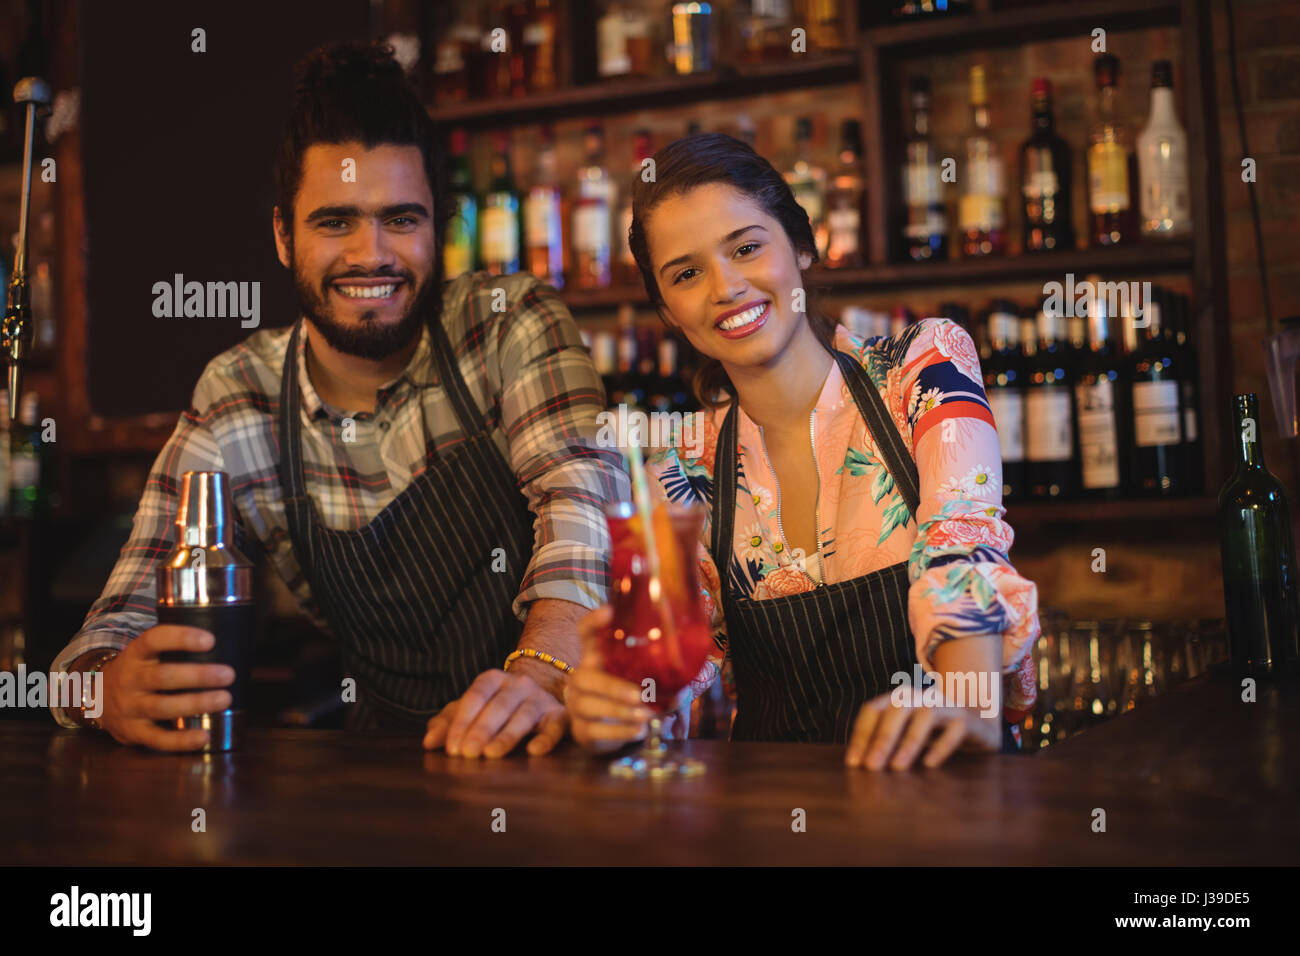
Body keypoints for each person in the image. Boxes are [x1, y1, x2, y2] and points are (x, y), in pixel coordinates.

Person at [49, 43, 627, 756]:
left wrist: (542, 673)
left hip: (546, 750)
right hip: (374, 775)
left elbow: (583, 504)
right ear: (283, 236)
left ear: (437, 229)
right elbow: (113, 623)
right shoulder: (241, 394)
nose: (371, 254)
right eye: (335, 222)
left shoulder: (510, 322)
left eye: (402, 219)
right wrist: (104, 688)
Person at [565, 133, 1040, 769]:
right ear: (668, 312)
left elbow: (964, 544)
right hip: (767, 826)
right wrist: (614, 703)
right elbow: (676, 680)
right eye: (686, 273)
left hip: (942, 795)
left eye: (746, 247)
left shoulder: (922, 369)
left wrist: (964, 700)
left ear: (803, 247)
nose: (725, 286)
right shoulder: (680, 466)